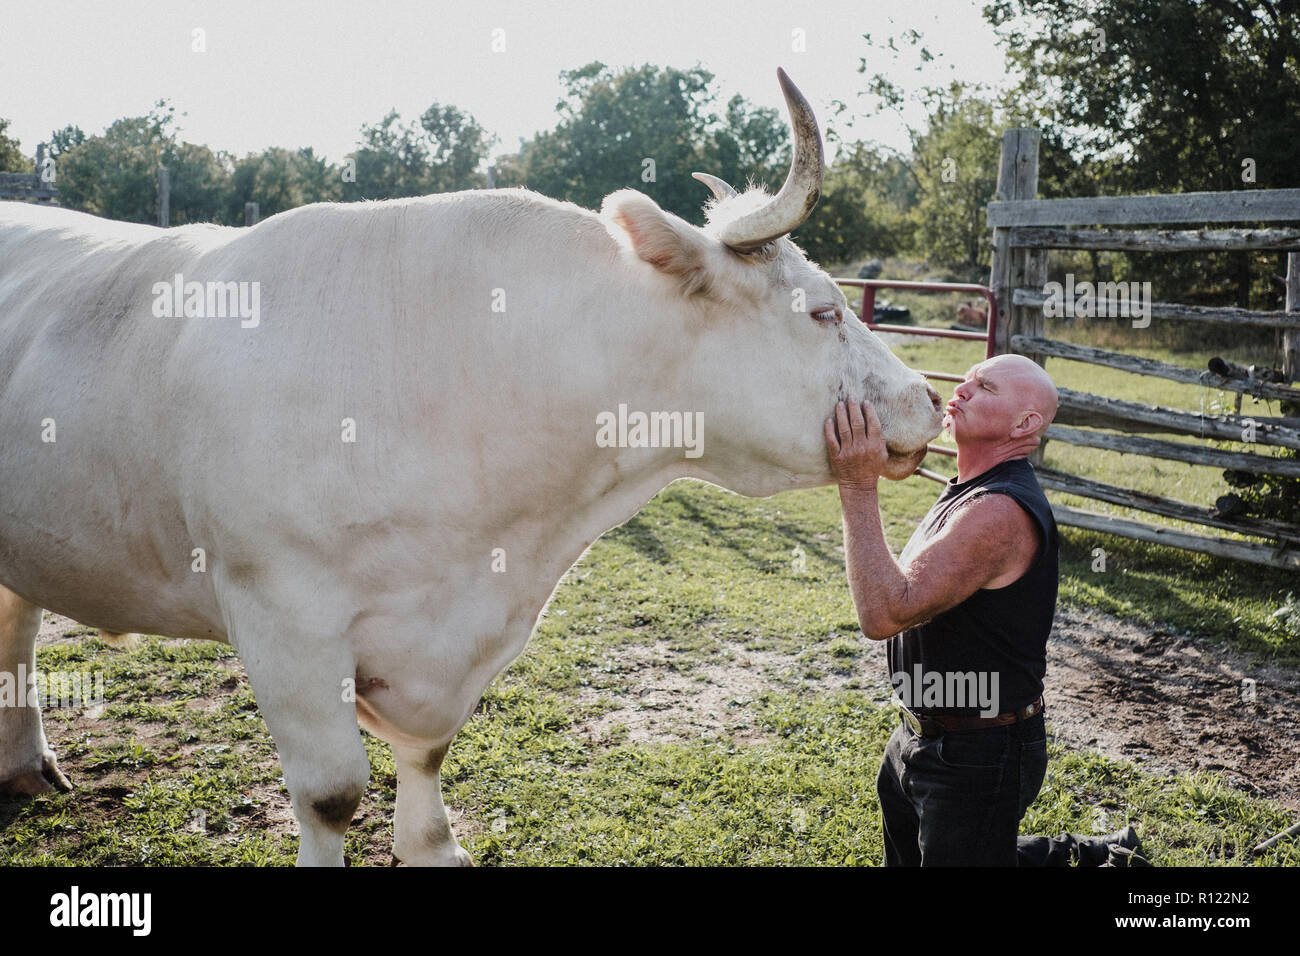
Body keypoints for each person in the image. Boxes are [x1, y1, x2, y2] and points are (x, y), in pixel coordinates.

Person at [823, 353, 1147, 867]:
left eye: (986, 387)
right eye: (967, 378)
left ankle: (1098, 862)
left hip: (979, 751)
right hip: (920, 734)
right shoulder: (969, 487)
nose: (962, 389)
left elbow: (885, 612)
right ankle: (1090, 858)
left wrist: (858, 484)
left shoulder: (998, 510)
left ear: (1026, 424)